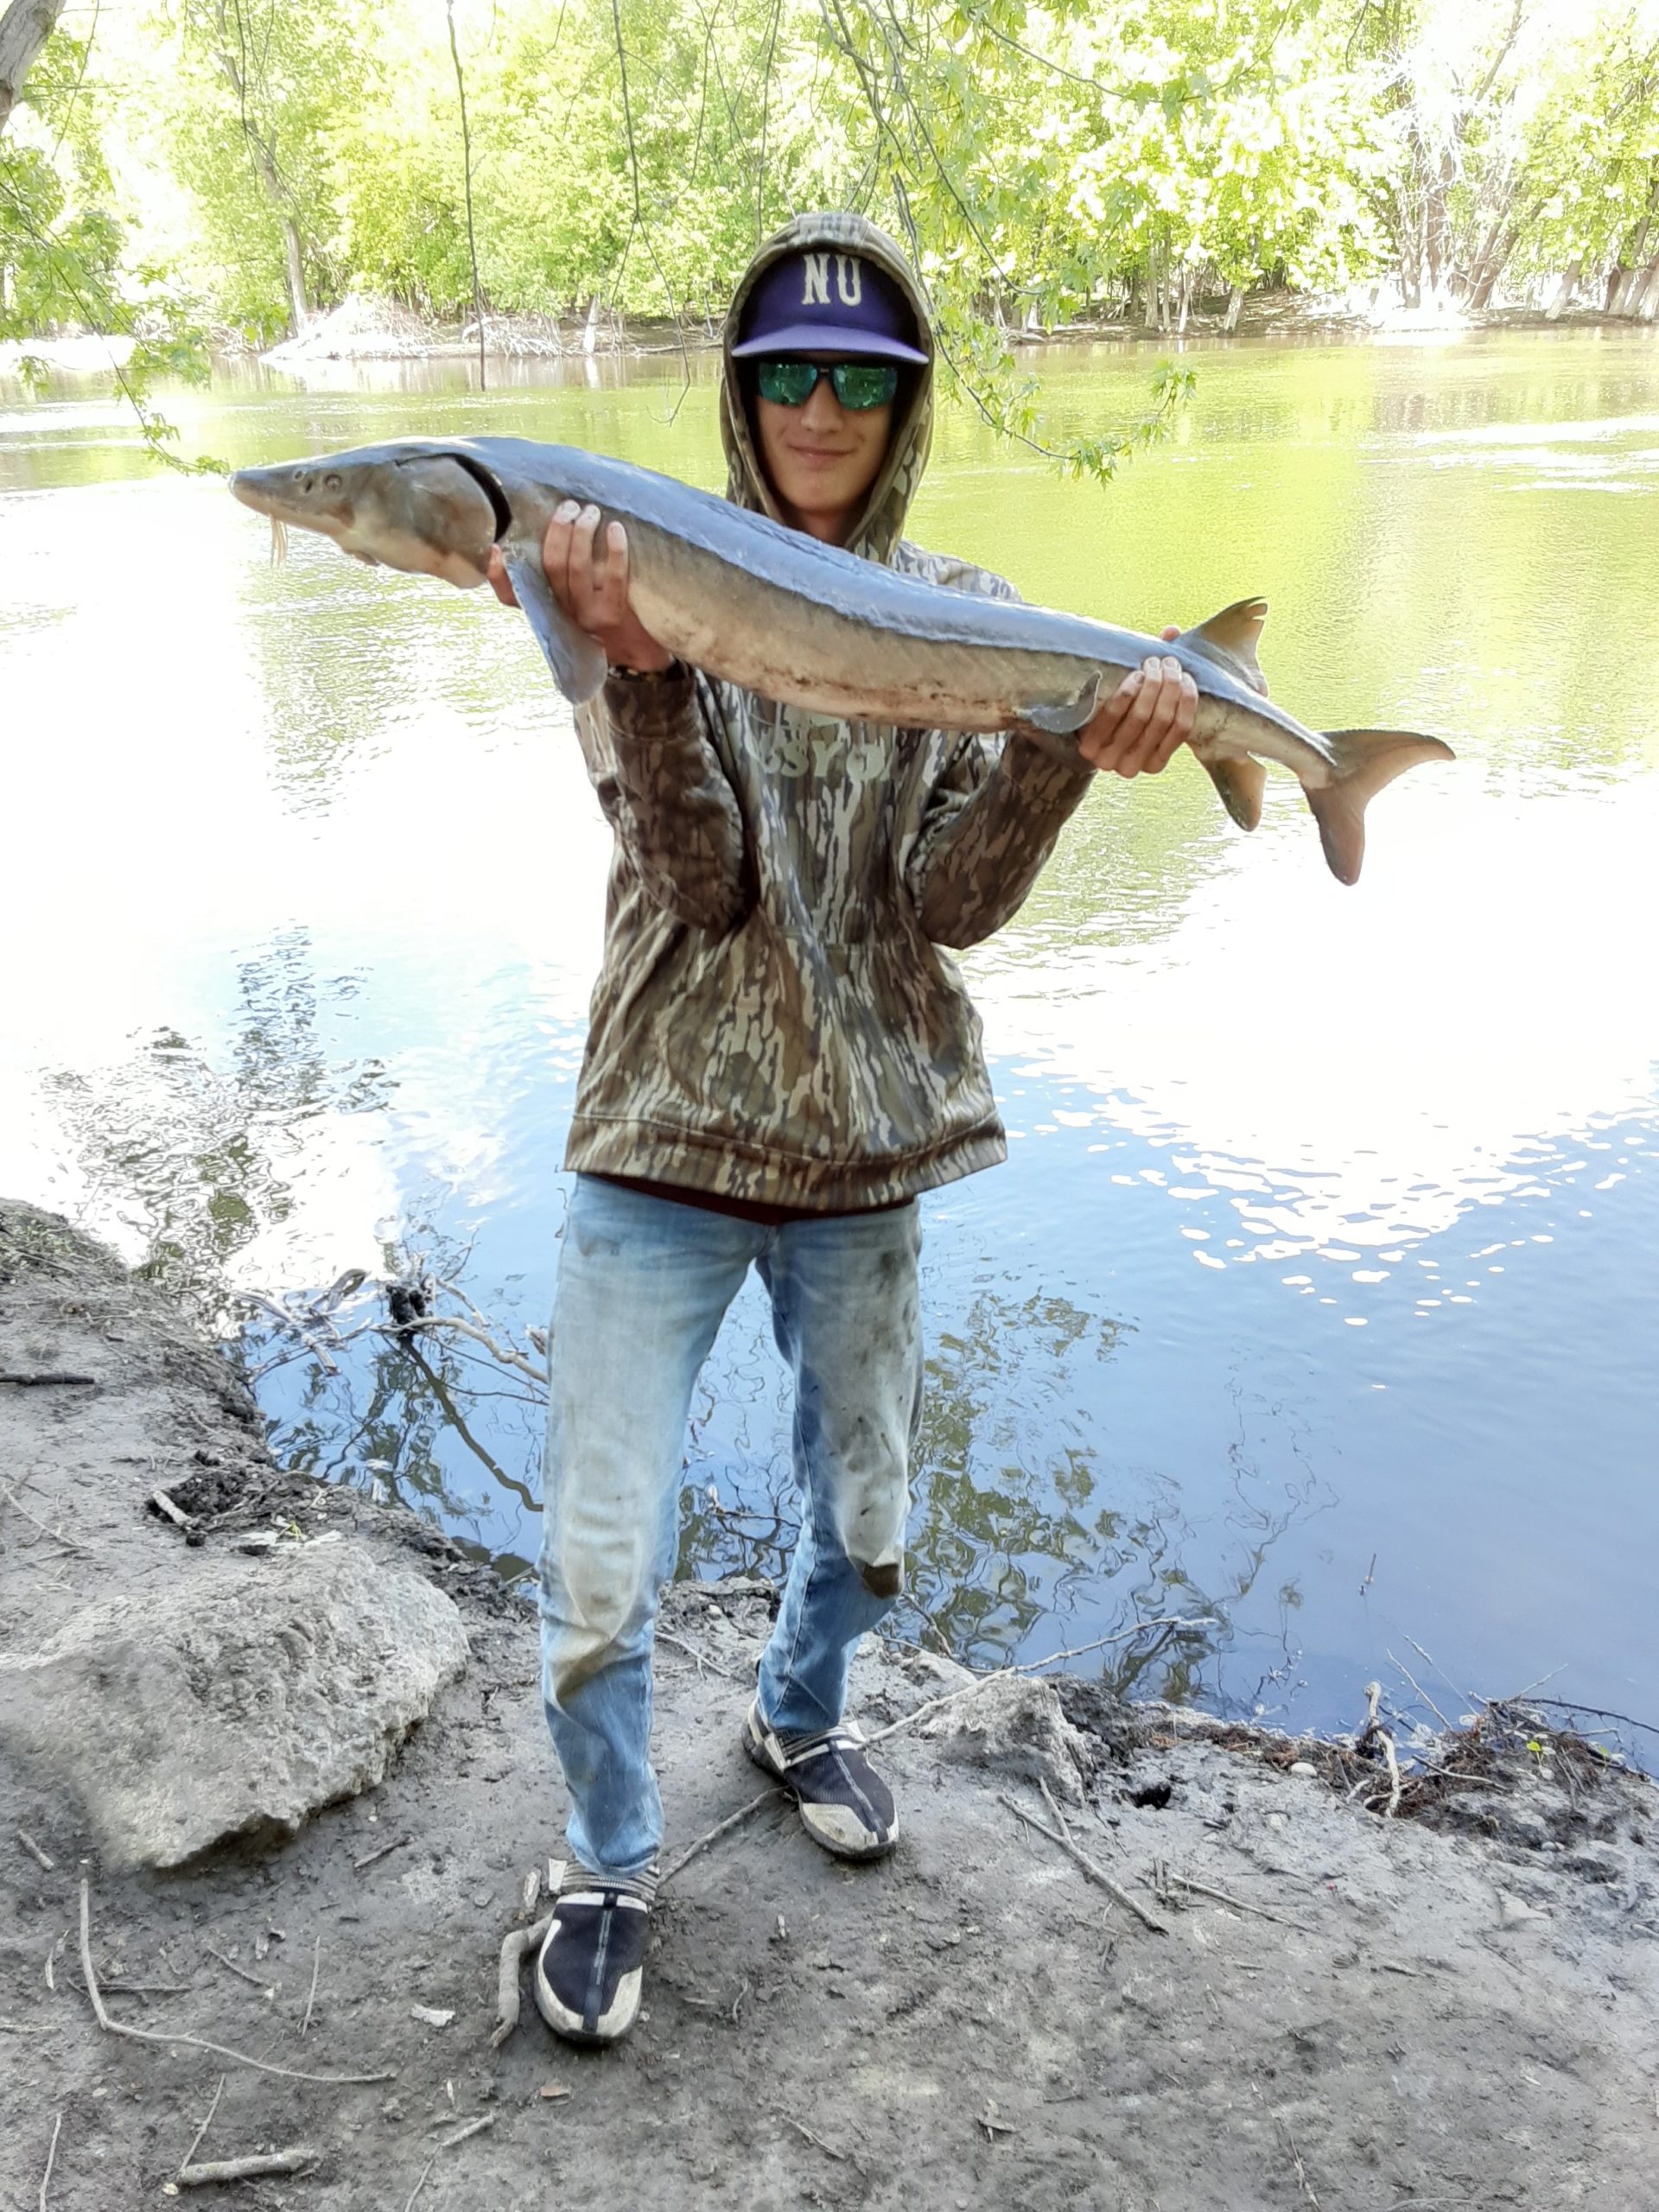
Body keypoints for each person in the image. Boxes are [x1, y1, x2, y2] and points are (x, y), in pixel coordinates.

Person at [486, 210, 1197, 2048]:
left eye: (858, 380)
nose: (818, 407)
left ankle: (796, 1712)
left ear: (906, 405)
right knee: (597, 1555)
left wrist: (1059, 754)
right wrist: (641, 663)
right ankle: (606, 1851)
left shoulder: (968, 608)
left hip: (868, 1148)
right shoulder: (621, 578)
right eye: (785, 373)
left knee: (867, 1519)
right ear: (740, 396)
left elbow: (953, 905)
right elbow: (700, 881)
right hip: (659, 1139)